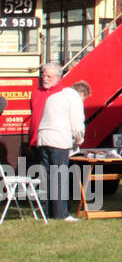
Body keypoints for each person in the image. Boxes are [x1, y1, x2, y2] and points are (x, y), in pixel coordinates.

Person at [36, 80, 91, 221]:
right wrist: (79, 141)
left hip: (43, 138)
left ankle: (48, 212)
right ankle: (61, 214)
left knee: (48, 176)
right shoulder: (74, 98)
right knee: (60, 176)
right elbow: (77, 125)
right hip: (58, 140)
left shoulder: (54, 96)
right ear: (82, 94)